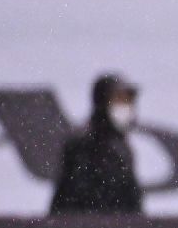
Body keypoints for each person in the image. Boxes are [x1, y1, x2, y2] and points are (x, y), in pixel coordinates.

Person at [49, 73, 143, 214]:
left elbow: (131, 200)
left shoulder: (123, 148)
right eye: (118, 100)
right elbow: (70, 199)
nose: (124, 107)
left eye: (127, 101)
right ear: (102, 103)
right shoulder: (82, 145)